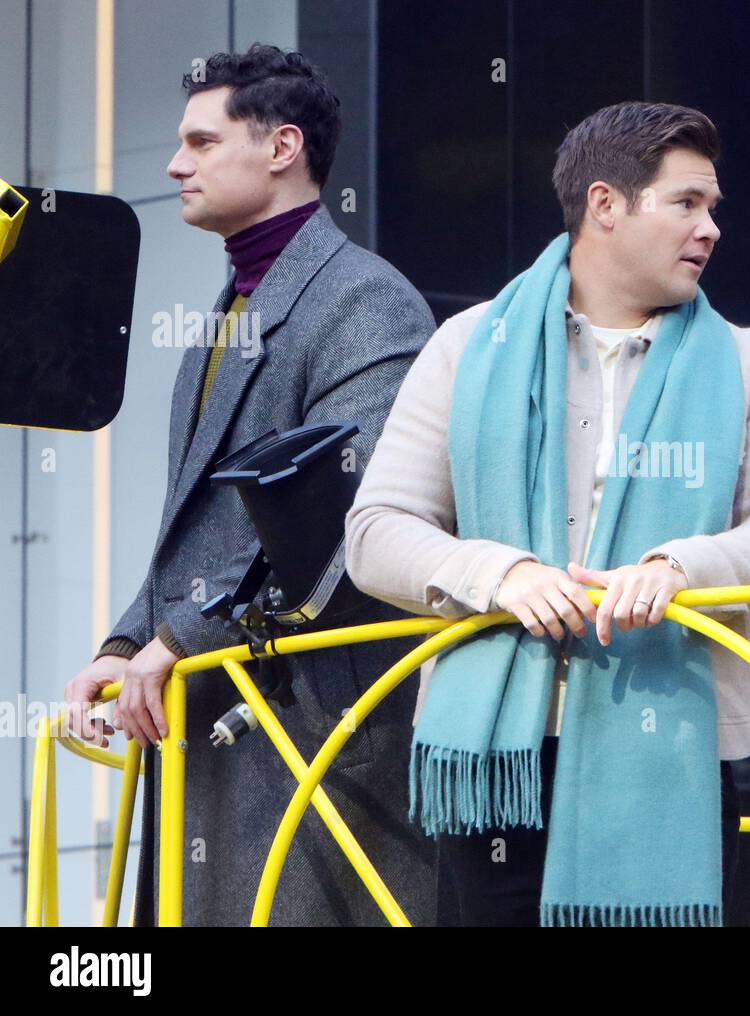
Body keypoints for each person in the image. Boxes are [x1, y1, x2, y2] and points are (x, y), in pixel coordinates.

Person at [345, 101, 750, 926]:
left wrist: (681, 567)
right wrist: (499, 574)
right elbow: (376, 531)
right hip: (497, 759)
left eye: (712, 208)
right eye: (687, 203)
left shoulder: (747, 360)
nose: (710, 228)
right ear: (606, 205)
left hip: (675, 746)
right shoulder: (467, 347)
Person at [62, 44, 440, 926]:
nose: (173, 164)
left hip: (311, 733)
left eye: (200, 140)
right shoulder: (227, 315)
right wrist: (126, 645)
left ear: (281, 148)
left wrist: (183, 636)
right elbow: (201, 527)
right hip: (229, 724)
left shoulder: (365, 301)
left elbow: (348, 517)